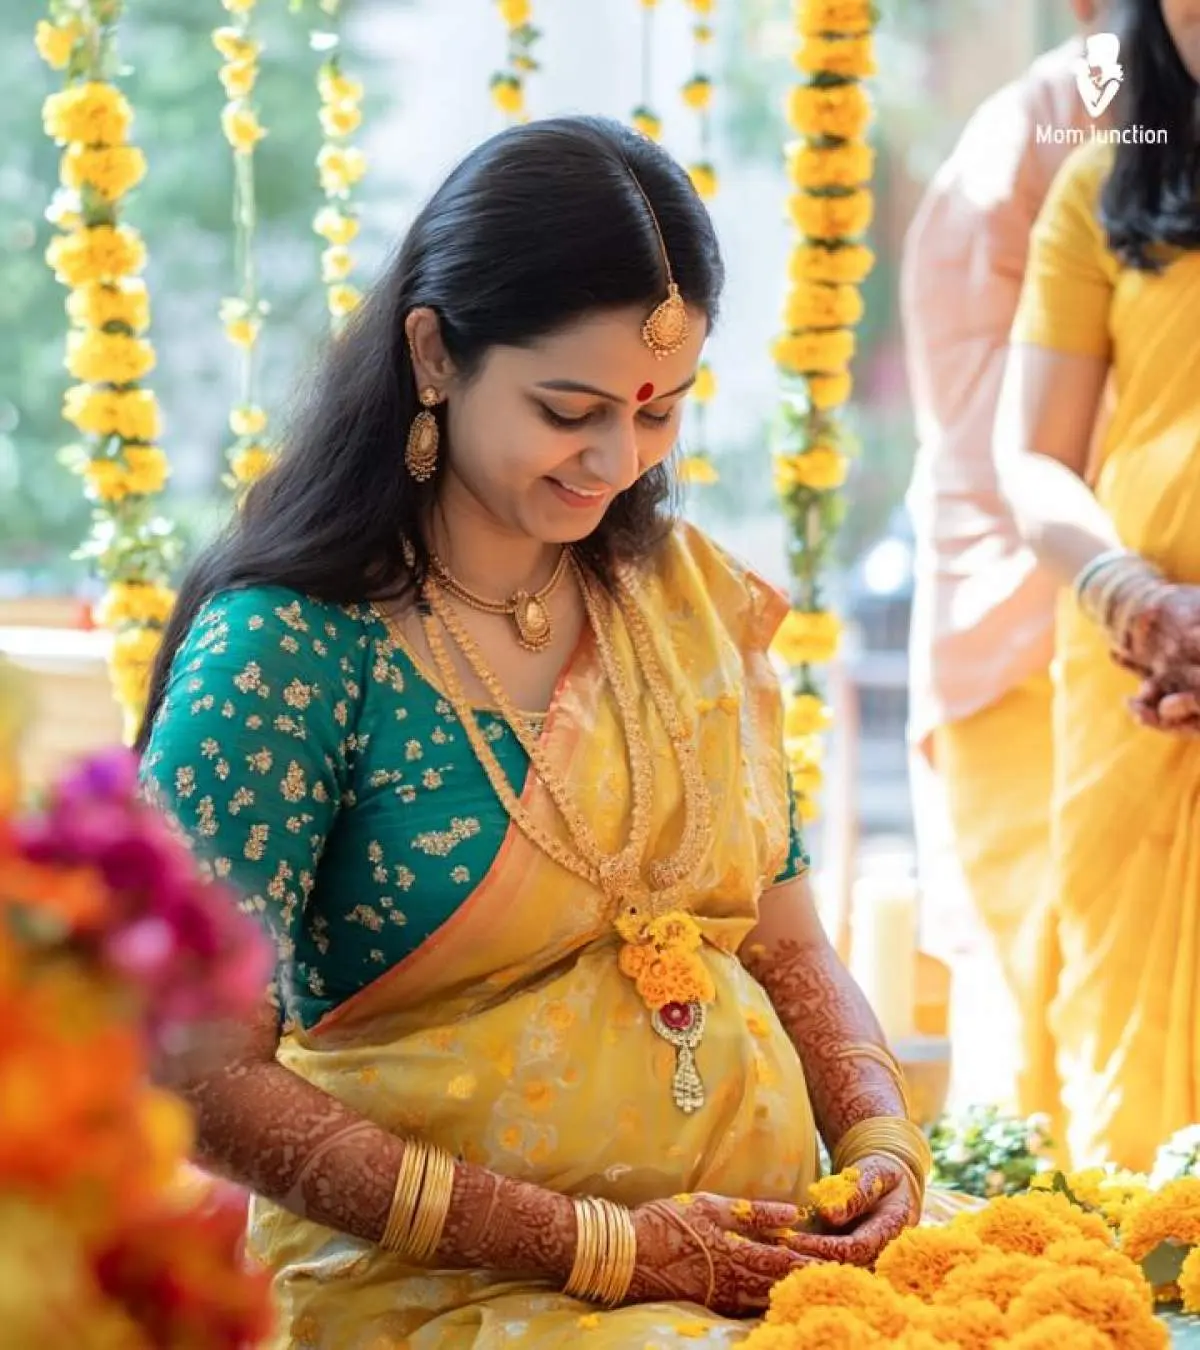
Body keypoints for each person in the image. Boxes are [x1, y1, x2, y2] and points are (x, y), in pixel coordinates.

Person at [138, 116, 929, 1348]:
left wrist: (881, 1145)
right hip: (444, 1294)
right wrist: (598, 1248)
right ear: (434, 354)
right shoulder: (289, 649)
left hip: (757, 1270)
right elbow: (189, 1067)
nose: (616, 460)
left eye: (660, 413)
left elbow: (785, 942)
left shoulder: (683, 598)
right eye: (572, 409)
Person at [994, 0, 1200, 1171]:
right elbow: (1033, 456)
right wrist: (1134, 597)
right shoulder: (1104, 186)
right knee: (1128, 1072)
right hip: (1138, 679)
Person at [901, 0, 1110, 1131]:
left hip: (1115, 601)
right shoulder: (1044, 130)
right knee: (1031, 959)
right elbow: (999, 428)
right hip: (1023, 610)